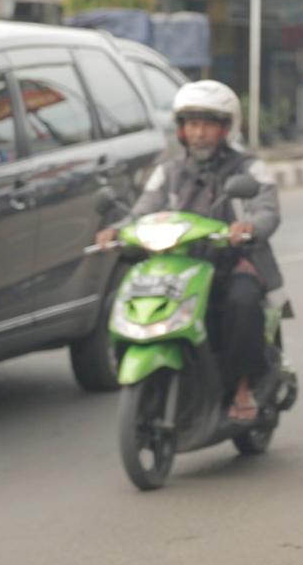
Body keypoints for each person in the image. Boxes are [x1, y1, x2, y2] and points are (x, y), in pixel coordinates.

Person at [93, 80, 283, 423]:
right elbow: (143, 210)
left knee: (241, 304)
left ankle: (243, 386)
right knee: (119, 301)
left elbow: (266, 209)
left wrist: (248, 228)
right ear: (181, 129)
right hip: (178, 265)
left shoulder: (249, 169)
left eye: (208, 125)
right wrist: (118, 231)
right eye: (192, 124)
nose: (199, 133)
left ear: (226, 128)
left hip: (232, 261)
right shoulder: (168, 171)